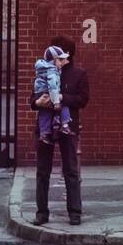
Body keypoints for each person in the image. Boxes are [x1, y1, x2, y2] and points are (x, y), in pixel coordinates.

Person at [30, 35, 89, 225]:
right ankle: (41, 213)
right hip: (45, 127)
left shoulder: (78, 74)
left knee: (71, 169)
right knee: (42, 171)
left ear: (67, 55)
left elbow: (83, 99)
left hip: (67, 127)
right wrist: (37, 102)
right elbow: (33, 97)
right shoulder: (45, 71)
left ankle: (74, 212)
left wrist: (61, 97)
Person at [33, 45, 74, 144]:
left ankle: (44, 133)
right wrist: (56, 102)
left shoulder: (43, 68)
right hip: (49, 92)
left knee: (45, 111)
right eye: (60, 60)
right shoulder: (52, 72)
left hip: (40, 93)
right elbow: (53, 87)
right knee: (63, 105)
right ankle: (65, 125)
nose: (62, 63)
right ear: (54, 61)